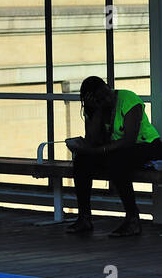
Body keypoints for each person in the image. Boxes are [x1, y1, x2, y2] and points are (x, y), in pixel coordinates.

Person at [65, 76, 162, 236]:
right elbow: (92, 140)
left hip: (147, 146)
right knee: (82, 161)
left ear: (109, 86)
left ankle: (133, 219)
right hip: (115, 150)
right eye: (101, 97)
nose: (107, 98)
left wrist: (99, 151)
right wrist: (96, 111)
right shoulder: (94, 109)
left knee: (117, 161)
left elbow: (129, 140)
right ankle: (84, 218)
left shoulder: (128, 99)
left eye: (107, 92)